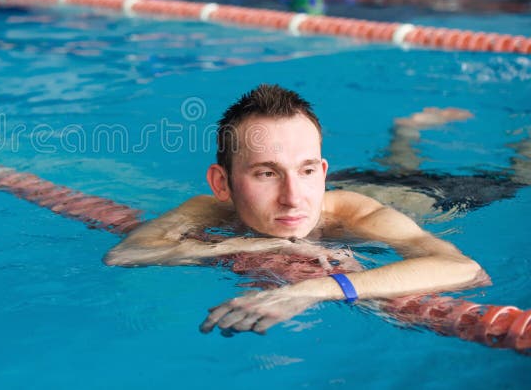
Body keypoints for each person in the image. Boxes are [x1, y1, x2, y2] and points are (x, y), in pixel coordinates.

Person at [102, 84, 526, 335]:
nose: (293, 197)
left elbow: (465, 270)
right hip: (368, 178)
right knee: (393, 167)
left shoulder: (353, 214)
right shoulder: (206, 208)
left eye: (306, 171)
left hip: (437, 196)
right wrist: (251, 248)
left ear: (322, 172)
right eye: (267, 174)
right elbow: (126, 254)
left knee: (519, 177)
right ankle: (407, 131)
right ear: (221, 184)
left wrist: (314, 287)